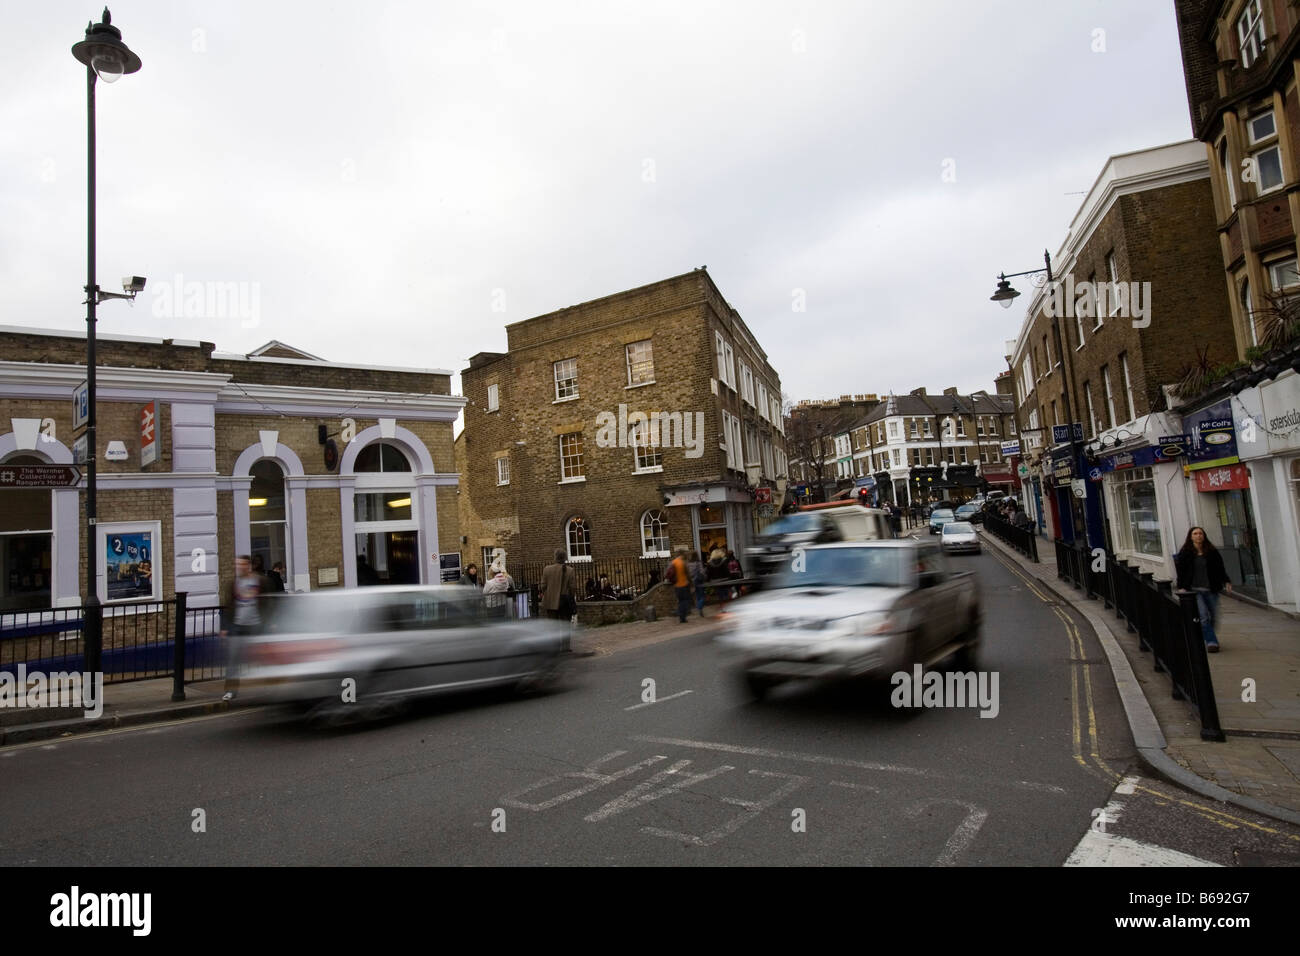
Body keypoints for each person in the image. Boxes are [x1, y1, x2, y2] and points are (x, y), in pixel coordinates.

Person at [1175, 526, 1232, 653]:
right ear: (1190, 537)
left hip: (1211, 589)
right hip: (1194, 590)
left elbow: (1220, 568)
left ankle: (1206, 635)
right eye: (1195, 533)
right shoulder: (1185, 552)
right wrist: (1181, 587)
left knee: (1214, 617)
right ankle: (1212, 642)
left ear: (1204, 535)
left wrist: (1226, 580)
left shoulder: (1211, 551)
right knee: (1203, 616)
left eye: (1200, 533)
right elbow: (1181, 572)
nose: (1198, 536)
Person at [220, 554, 262, 701]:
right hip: (237, 626)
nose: (240, 567)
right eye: (238, 565)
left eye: (243, 564)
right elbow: (229, 605)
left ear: (248, 565)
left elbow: (269, 601)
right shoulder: (234, 583)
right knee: (233, 659)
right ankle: (231, 691)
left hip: (255, 625)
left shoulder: (259, 581)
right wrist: (225, 627)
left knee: (263, 658)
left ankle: (269, 688)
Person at [539, 549, 578, 624]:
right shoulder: (570, 570)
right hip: (565, 602)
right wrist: (570, 596)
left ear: (555, 557)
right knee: (565, 626)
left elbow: (543, 586)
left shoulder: (547, 569)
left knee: (553, 627)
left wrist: (548, 594)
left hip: (551, 602)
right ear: (565, 558)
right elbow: (572, 588)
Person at [668, 549, 692, 623]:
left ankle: (681, 614)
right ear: (682, 554)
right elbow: (688, 574)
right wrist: (691, 582)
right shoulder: (683, 563)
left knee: (680, 601)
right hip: (683, 584)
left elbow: (668, 573)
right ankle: (682, 616)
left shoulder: (673, 562)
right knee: (684, 601)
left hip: (676, 585)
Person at [687, 550, 707, 617]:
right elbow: (701, 572)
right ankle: (699, 606)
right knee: (702, 596)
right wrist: (705, 576)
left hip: (692, 581)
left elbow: (688, 573)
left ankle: (699, 608)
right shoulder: (698, 563)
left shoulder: (688, 564)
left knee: (697, 595)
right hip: (698, 580)